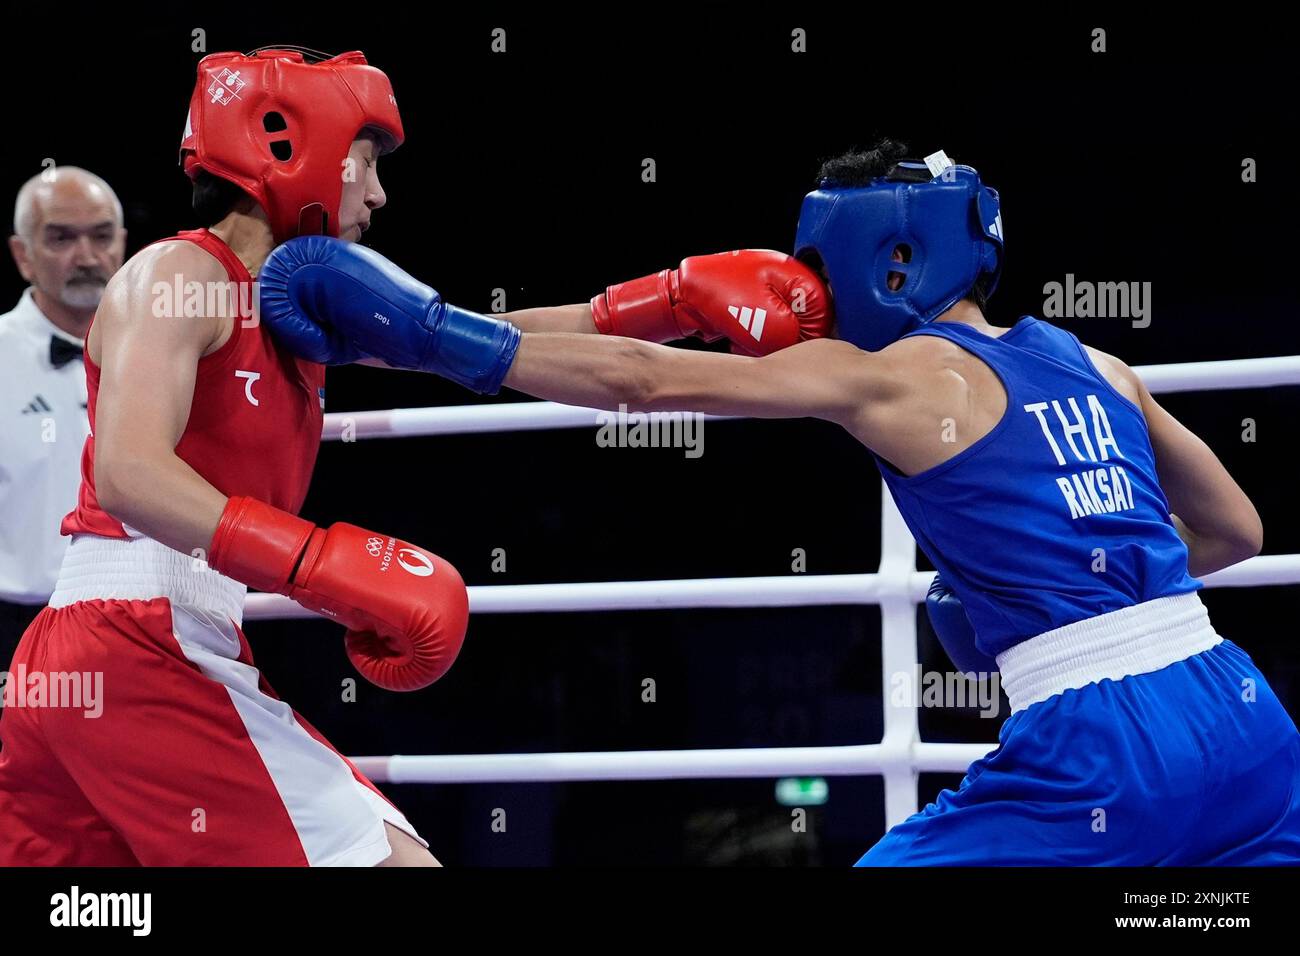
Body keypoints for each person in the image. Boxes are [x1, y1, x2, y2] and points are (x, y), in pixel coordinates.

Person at [260, 139, 1300, 864]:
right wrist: (1073, 589)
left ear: (887, 257)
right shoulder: (1098, 360)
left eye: (819, 262)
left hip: (1101, 747)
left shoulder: (892, 377)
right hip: (1244, 713)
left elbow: (643, 382)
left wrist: (426, 333)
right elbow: (1237, 529)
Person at [0, 47, 469, 867]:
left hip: (119, 649)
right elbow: (130, 475)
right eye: (365, 165)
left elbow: (488, 342)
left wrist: (657, 307)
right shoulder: (177, 275)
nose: (380, 193)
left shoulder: (293, 311)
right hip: (133, 635)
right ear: (294, 148)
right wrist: (316, 562)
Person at [0, 168, 125, 667]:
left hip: (138, 626)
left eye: (101, 236)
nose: (88, 257)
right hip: (14, 630)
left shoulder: (169, 356)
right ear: (22, 255)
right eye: (61, 239)